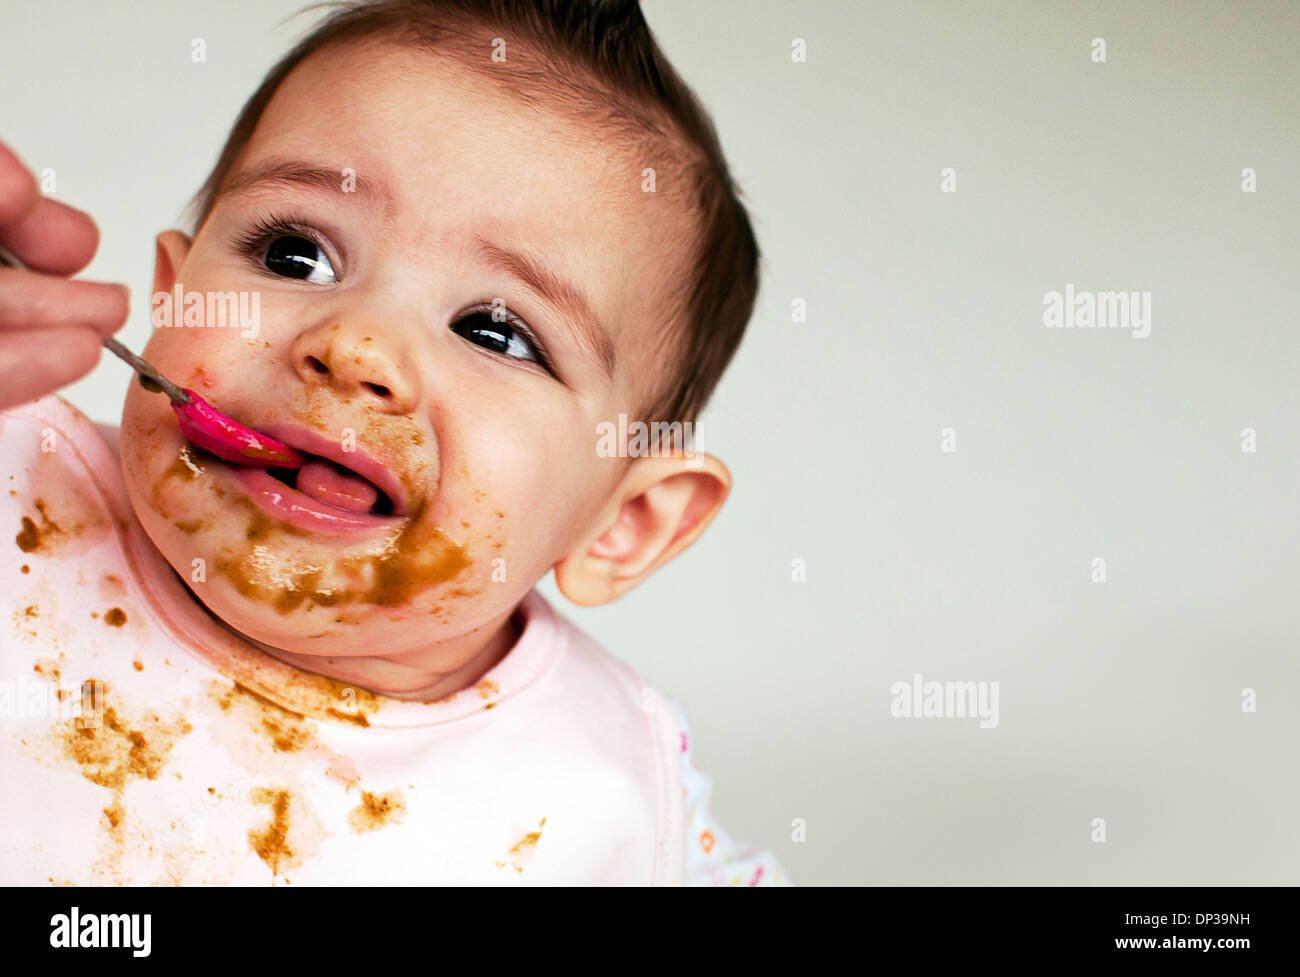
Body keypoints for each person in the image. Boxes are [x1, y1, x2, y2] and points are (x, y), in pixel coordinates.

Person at [0, 0, 785, 884]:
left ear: (623, 522)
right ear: (174, 293)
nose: (357, 346)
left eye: (495, 333)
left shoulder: (612, 778)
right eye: (295, 254)